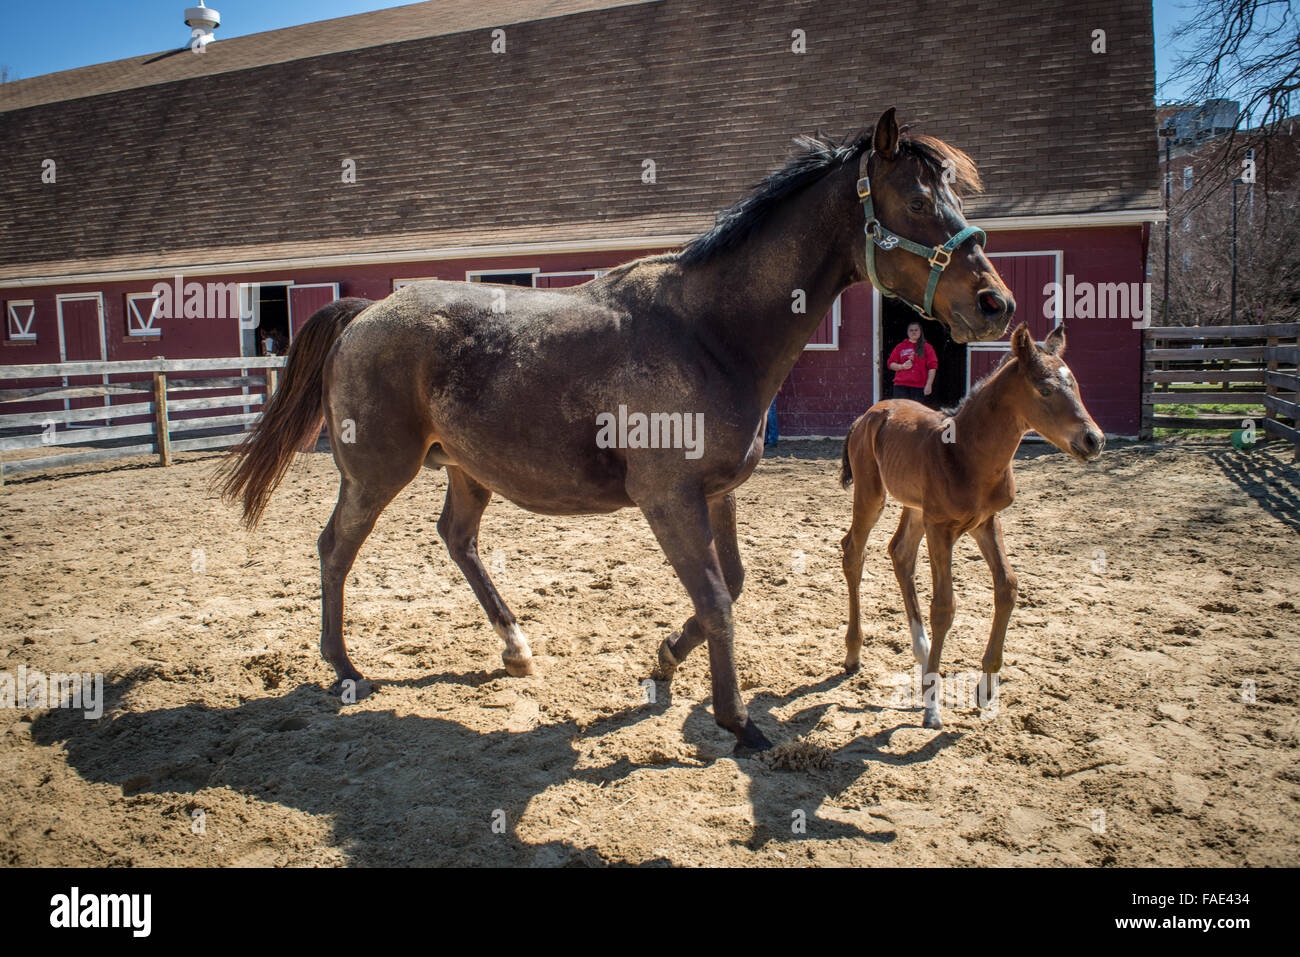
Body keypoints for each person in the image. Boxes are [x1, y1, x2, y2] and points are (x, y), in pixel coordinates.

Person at [887, 321, 938, 403]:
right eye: (911, 330)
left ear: (920, 332)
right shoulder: (900, 346)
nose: (913, 332)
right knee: (901, 412)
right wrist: (902, 366)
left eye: (916, 330)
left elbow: (932, 367)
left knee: (917, 414)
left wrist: (929, 384)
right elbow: (890, 364)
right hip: (901, 386)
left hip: (919, 386)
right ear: (907, 332)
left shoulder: (927, 347)